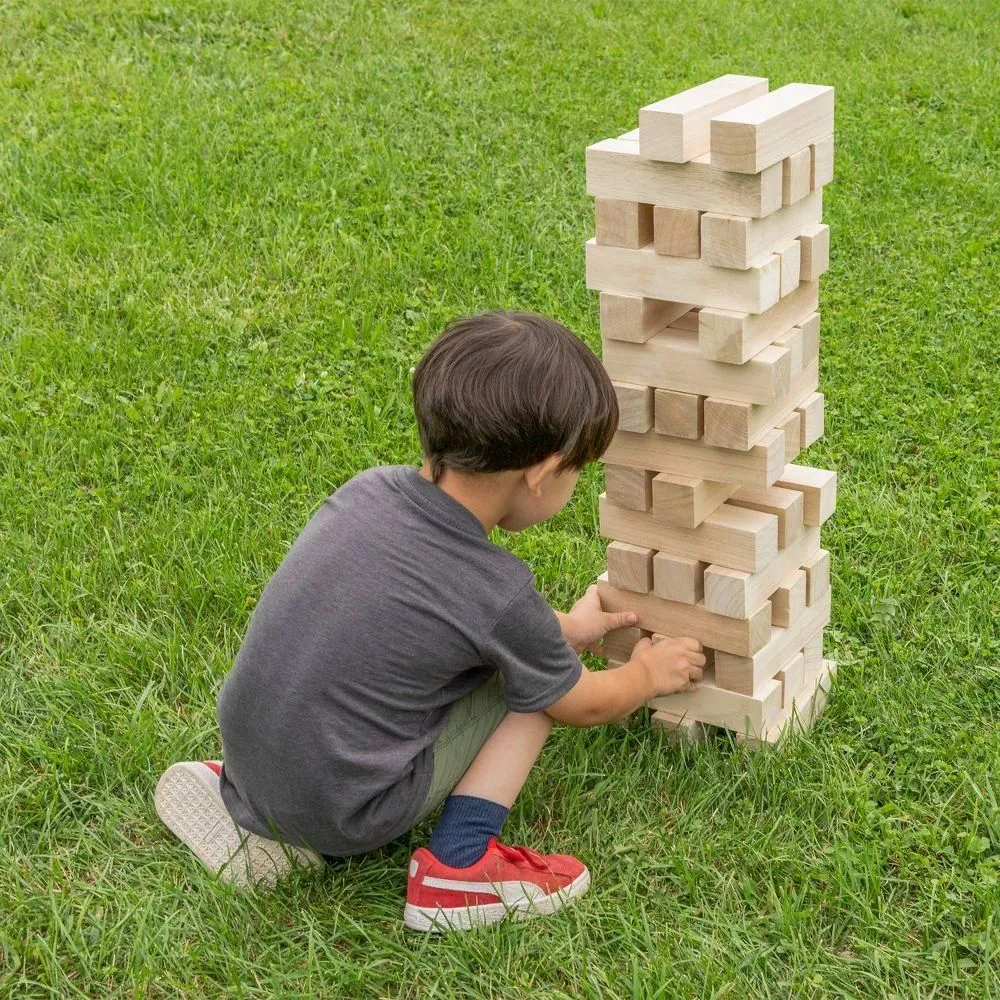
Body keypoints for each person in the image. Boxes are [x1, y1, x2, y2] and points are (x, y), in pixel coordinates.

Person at [154, 311, 705, 932]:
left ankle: (259, 815)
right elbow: (584, 702)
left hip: (251, 760)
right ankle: (458, 868)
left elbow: (430, 613)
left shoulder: (367, 491)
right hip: (351, 811)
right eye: (579, 472)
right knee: (535, 693)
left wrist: (559, 630)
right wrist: (647, 674)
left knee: (509, 660)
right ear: (543, 473)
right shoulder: (494, 589)